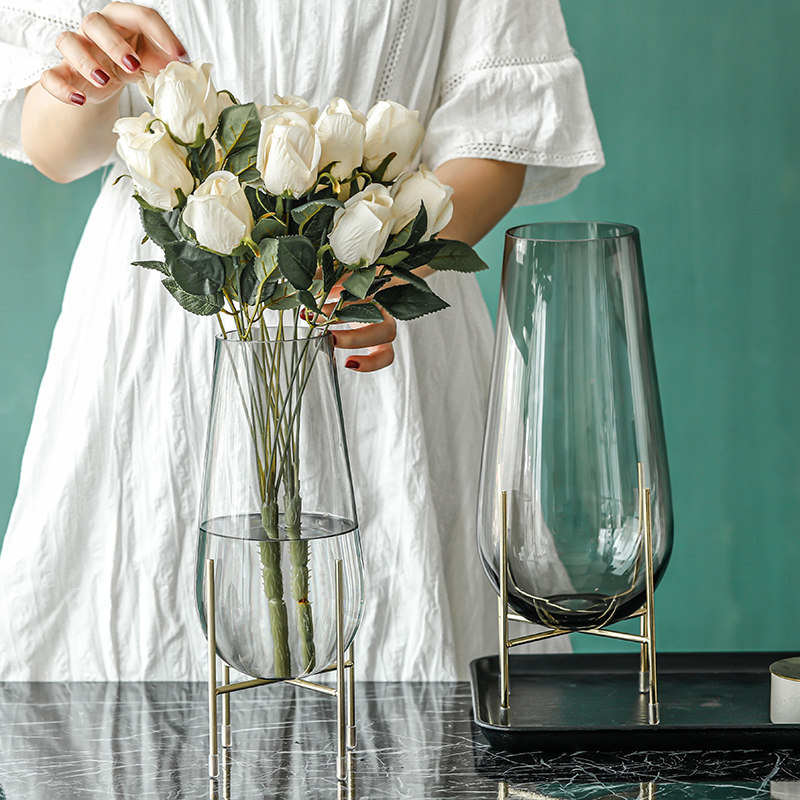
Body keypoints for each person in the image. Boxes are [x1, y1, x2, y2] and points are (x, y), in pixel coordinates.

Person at [0, 0, 603, 681]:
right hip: (165, 326)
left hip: (376, 309)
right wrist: (94, 81)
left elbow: (496, 136)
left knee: (403, 665)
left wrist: (386, 270)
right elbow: (57, 152)